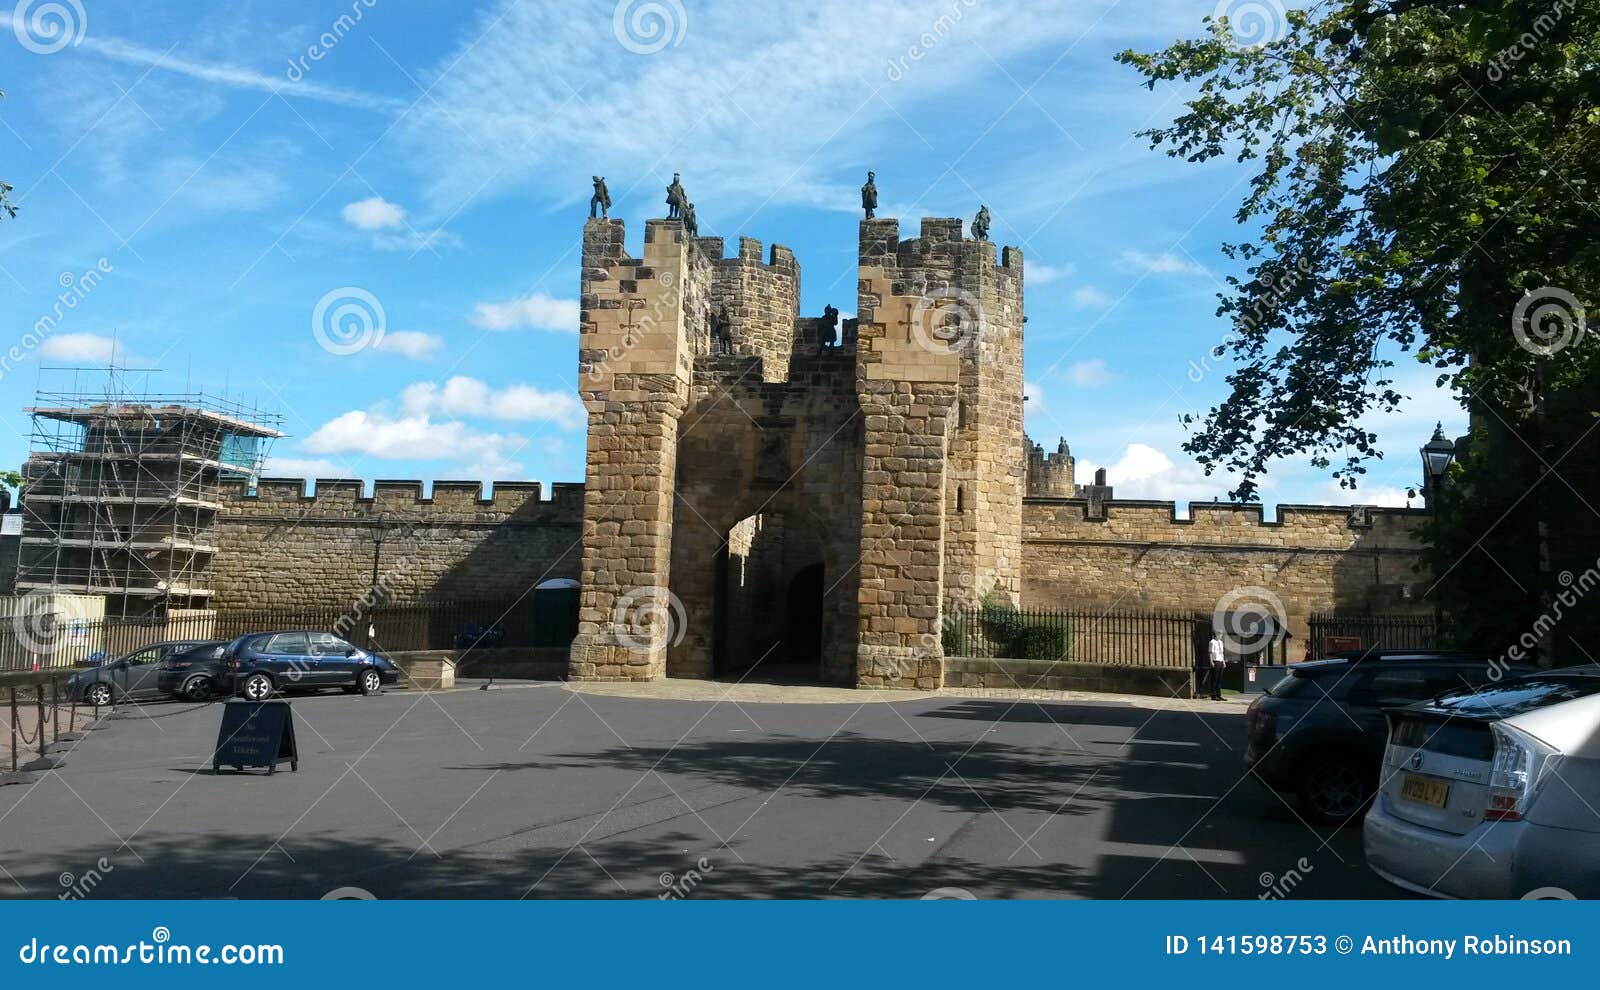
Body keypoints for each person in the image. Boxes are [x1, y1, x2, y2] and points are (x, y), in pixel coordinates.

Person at [1204, 631, 1226, 700]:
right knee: (1214, 679)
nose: (1221, 636)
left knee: (1219, 679)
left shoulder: (1221, 642)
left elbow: (1222, 653)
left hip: (1220, 661)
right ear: (1217, 635)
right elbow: (1210, 652)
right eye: (1220, 634)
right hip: (1215, 661)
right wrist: (1211, 662)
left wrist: (1224, 662)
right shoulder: (1212, 642)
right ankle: (1213, 695)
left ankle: (1218, 694)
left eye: (1221, 635)